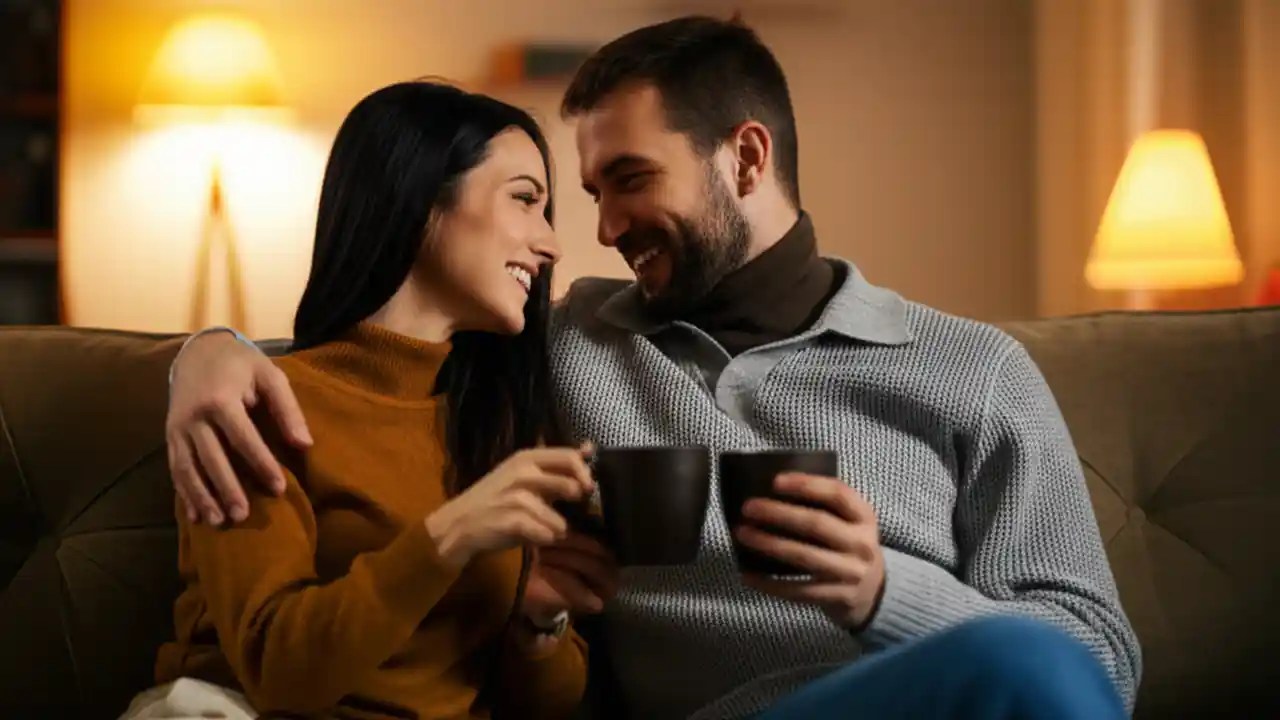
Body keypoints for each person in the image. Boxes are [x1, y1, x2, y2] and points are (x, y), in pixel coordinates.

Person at [164, 17, 1141, 720]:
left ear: (745, 159)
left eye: (628, 181)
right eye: (577, 194)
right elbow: (366, 368)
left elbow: (1093, 671)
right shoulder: (564, 346)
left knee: (1019, 655)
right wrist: (206, 353)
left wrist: (886, 596)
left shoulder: (972, 373)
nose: (595, 230)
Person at [134, 81, 620, 720]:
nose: (551, 243)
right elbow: (279, 673)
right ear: (420, 200)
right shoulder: (258, 405)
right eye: (525, 200)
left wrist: (538, 620)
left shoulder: (495, 424)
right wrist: (449, 537)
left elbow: (549, 703)